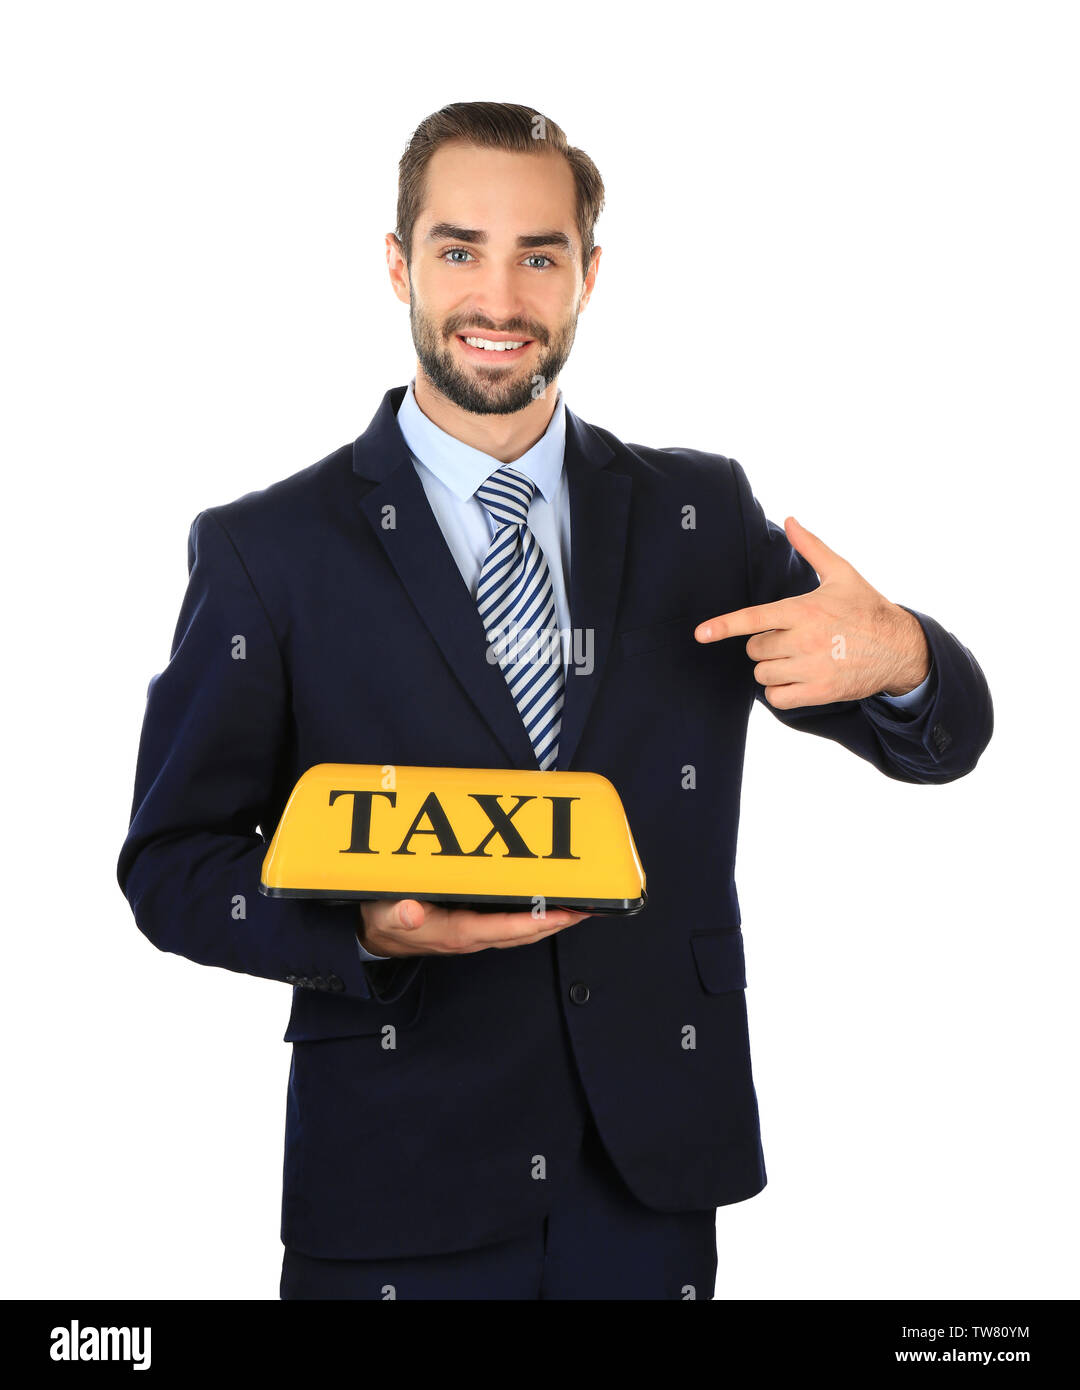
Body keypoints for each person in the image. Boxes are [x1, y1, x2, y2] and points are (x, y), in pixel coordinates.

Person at [116, 100, 994, 1301]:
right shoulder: (268, 550)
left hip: (644, 1183)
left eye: (541, 255)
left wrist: (902, 658)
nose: (501, 298)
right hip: (394, 1175)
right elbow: (170, 864)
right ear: (397, 264)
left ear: (589, 275)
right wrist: (359, 932)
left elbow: (941, 741)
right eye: (459, 248)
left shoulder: (701, 517)